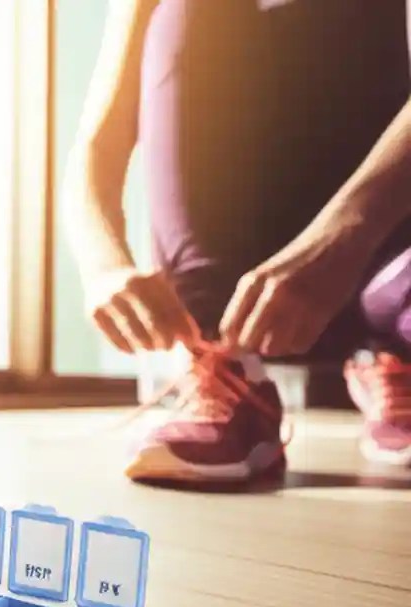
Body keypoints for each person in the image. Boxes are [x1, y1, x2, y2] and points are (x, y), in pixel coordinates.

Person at [63, 0, 411, 480]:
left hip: (388, 257)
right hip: (248, 290)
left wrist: (345, 237)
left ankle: (397, 356)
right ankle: (228, 370)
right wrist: (103, 266)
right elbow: (97, 142)